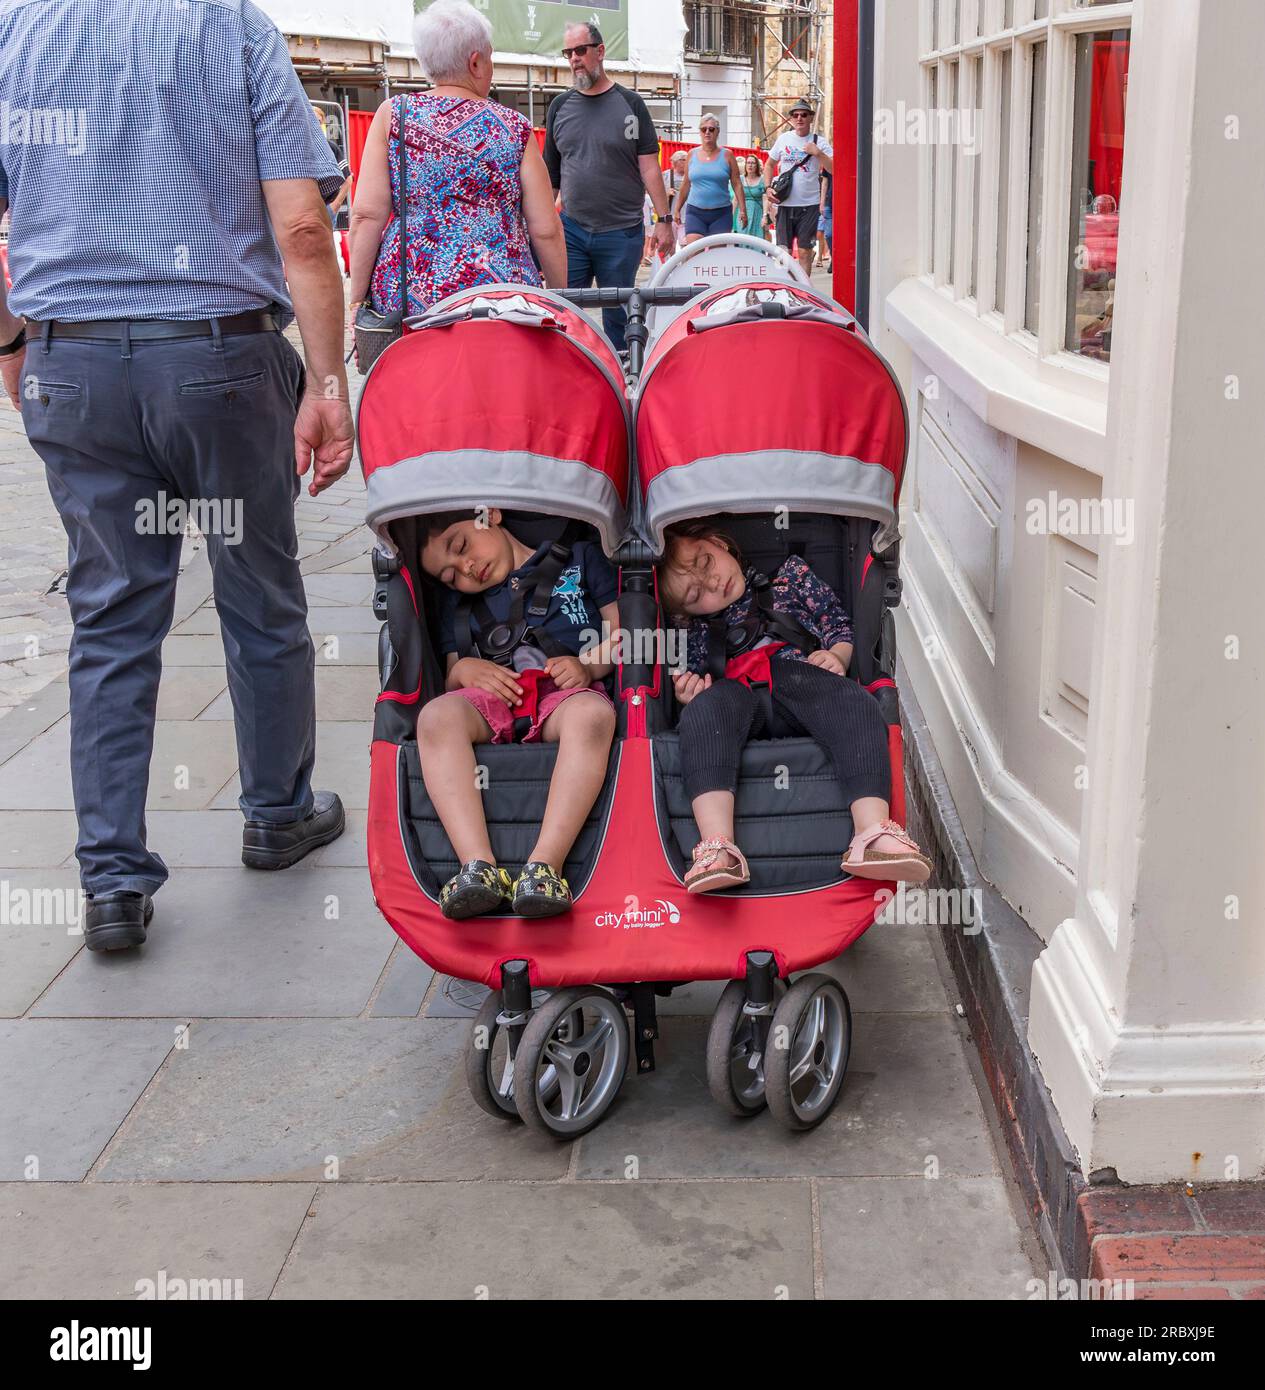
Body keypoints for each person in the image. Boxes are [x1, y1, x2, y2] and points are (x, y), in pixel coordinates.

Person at [0, 0, 353, 953]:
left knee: (110, 616)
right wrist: (328, 383)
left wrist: (10, 343)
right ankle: (276, 811)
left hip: (70, 365)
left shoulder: (14, 28)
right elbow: (304, 228)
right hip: (217, 366)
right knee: (258, 595)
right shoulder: (230, 26)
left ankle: (112, 878)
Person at [658, 522, 932, 893]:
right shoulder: (693, 634)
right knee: (702, 714)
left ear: (719, 542)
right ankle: (716, 847)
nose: (711, 583)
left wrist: (835, 655)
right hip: (732, 694)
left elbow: (838, 626)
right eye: (695, 595)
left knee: (856, 702)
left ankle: (872, 834)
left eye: (706, 563)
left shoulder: (791, 577)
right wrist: (690, 693)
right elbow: (684, 678)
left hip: (801, 677)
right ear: (682, 614)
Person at [417, 510, 620, 919]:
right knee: (436, 717)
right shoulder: (461, 608)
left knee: (592, 716)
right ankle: (477, 866)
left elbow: (625, 636)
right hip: (495, 699)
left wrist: (589, 665)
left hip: (565, 693)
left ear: (488, 514)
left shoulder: (581, 558)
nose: (466, 569)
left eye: (461, 547)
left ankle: (545, 865)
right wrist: (461, 670)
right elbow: (453, 672)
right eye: (451, 576)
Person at [349, 0, 565, 327]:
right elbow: (545, 229)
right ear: (476, 63)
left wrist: (355, 299)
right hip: (501, 295)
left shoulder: (394, 116)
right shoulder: (515, 127)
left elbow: (366, 215)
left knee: (414, 377)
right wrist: (560, 299)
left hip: (410, 295)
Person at [543, 22, 674, 351]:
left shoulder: (631, 105)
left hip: (621, 233)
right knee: (565, 311)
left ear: (600, 52)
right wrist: (541, 226)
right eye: (568, 53)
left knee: (619, 317)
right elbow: (552, 177)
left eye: (580, 50)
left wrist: (664, 221)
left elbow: (650, 167)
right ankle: (569, 377)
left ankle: (625, 383)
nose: (574, 59)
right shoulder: (560, 107)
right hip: (571, 230)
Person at [767, 99, 834, 278]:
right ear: (791, 119)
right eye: (795, 115)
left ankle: (804, 294)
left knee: (804, 252)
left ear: (810, 118)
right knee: (782, 253)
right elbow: (769, 164)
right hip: (785, 204)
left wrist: (818, 153)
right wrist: (767, 188)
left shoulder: (819, 141)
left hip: (809, 206)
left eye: (803, 115)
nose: (799, 118)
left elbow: (834, 169)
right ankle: (784, 289)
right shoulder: (783, 139)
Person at [670, 118, 745, 244]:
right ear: (699, 132)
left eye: (711, 129)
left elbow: (737, 183)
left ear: (718, 131)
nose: (707, 132)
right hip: (695, 212)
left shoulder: (727, 155)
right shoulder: (691, 154)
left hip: (721, 213)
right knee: (693, 252)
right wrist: (677, 209)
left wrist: (743, 210)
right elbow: (686, 183)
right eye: (703, 129)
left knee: (715, 256)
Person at [739, 154, 768, 239]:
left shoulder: (763, 179)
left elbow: (765, 198)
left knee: (757, 238)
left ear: (757, 166)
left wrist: (765, 216)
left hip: (757, 212)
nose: (750, 165)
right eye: (748, 163)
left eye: (753, 163)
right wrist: (731, 216)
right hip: (743, 212)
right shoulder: (740, 179)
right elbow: (736, 200)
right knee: (741, 238)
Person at [817, 169, 833, 273]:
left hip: (843, 201)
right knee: (829, 234)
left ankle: (836, 259)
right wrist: (822, 202)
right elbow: (825, 182)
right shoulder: (828, 161)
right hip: (829, 203)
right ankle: (834, 257)